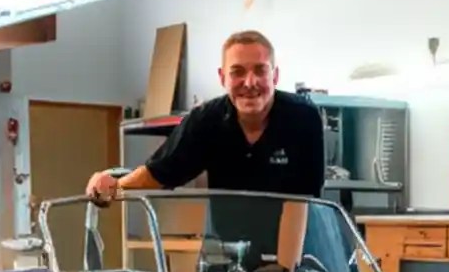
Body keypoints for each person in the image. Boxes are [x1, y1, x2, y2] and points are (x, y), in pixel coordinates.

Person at [85, 29, 326, 204]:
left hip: (296, 252)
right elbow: (159, 173)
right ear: (222, 78)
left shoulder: (303, 117)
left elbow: (311, 201)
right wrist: (115, 183)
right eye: (237, 72)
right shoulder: (206, 120)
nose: (249, 83)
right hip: (229, 252)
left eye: (260, 71)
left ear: (274, 76)